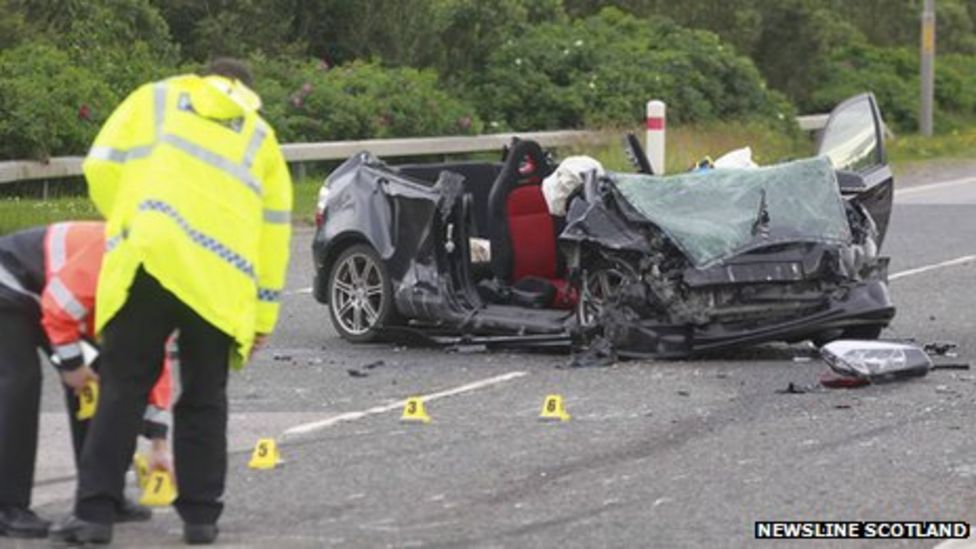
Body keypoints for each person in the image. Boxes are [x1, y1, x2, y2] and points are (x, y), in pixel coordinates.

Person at [52, 58, 292, 545]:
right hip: (218, 281)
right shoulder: (261, 138)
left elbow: (101, 165)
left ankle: (95, 515)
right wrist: (262, 315)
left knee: (122, 387)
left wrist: (130, 216)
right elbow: (274, 235)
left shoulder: (155, 99)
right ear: (247, 91)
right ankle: (201, 519)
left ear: (202, 76)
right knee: (206, 397)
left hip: (150, 260)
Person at [0, 222, 173, 539]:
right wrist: (72, 366)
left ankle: (101, 494)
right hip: (10, 281)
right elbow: (57, 310)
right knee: (20, 383)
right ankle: (7, 507)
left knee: (107, 384)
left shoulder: (159, 285)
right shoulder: (111, 255)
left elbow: (151, 363)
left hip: (52, 299)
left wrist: (159, 442)